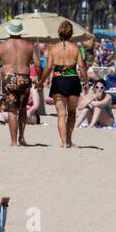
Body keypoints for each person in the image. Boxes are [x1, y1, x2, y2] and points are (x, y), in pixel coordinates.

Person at [40, 20, 87, 148]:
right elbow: (82, 66)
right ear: (71, 33)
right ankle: (69, 139)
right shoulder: (76, 48)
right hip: (73, 81)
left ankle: (63, 142)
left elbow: (48, 68)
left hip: (58, 81)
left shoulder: (53, 49)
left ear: (59, 33)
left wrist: (41, 82)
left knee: (61, 114)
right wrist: (86, 81)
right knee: (71, 113)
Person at [0, 19, 37, 147]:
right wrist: (40, 80)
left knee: (12, 111)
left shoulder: (3, 46)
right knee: (23, 109)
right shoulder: (29, 45)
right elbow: (38, 65)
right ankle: (22, 138)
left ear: (9, 31)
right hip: (24, 78)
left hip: (9, 78)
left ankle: (13, 142)